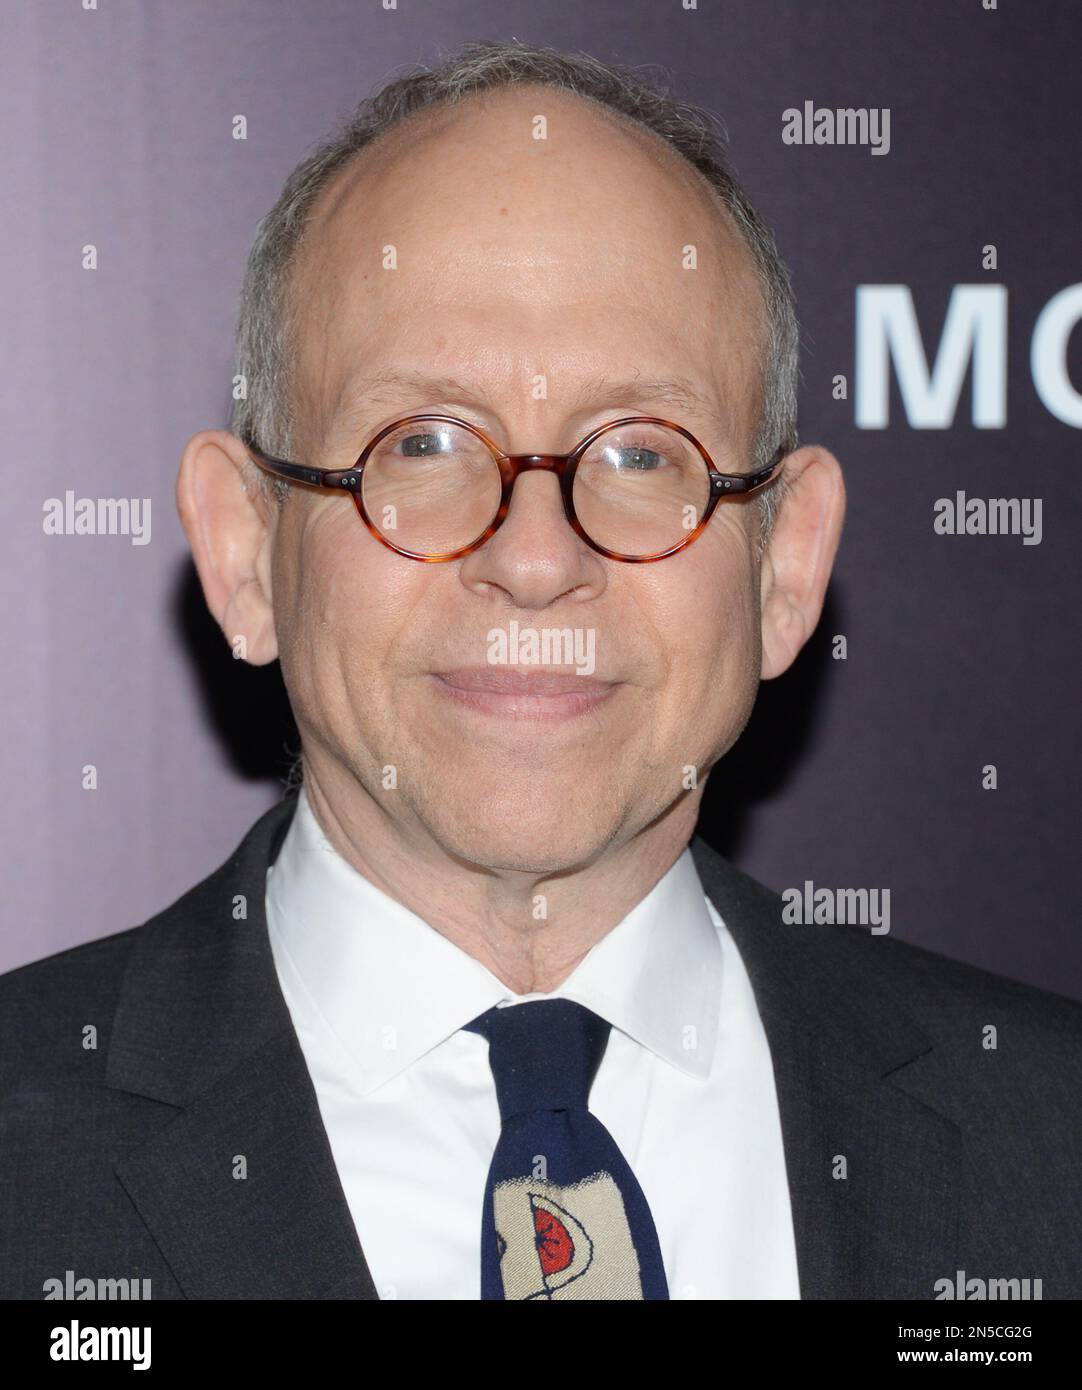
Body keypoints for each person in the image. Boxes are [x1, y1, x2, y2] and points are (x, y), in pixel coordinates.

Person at [2, 39, 1080, 1302]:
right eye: (422, 440)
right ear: (243, 550)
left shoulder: (1048, 1142)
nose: (531, 558)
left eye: (636, 452)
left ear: (784, 566)